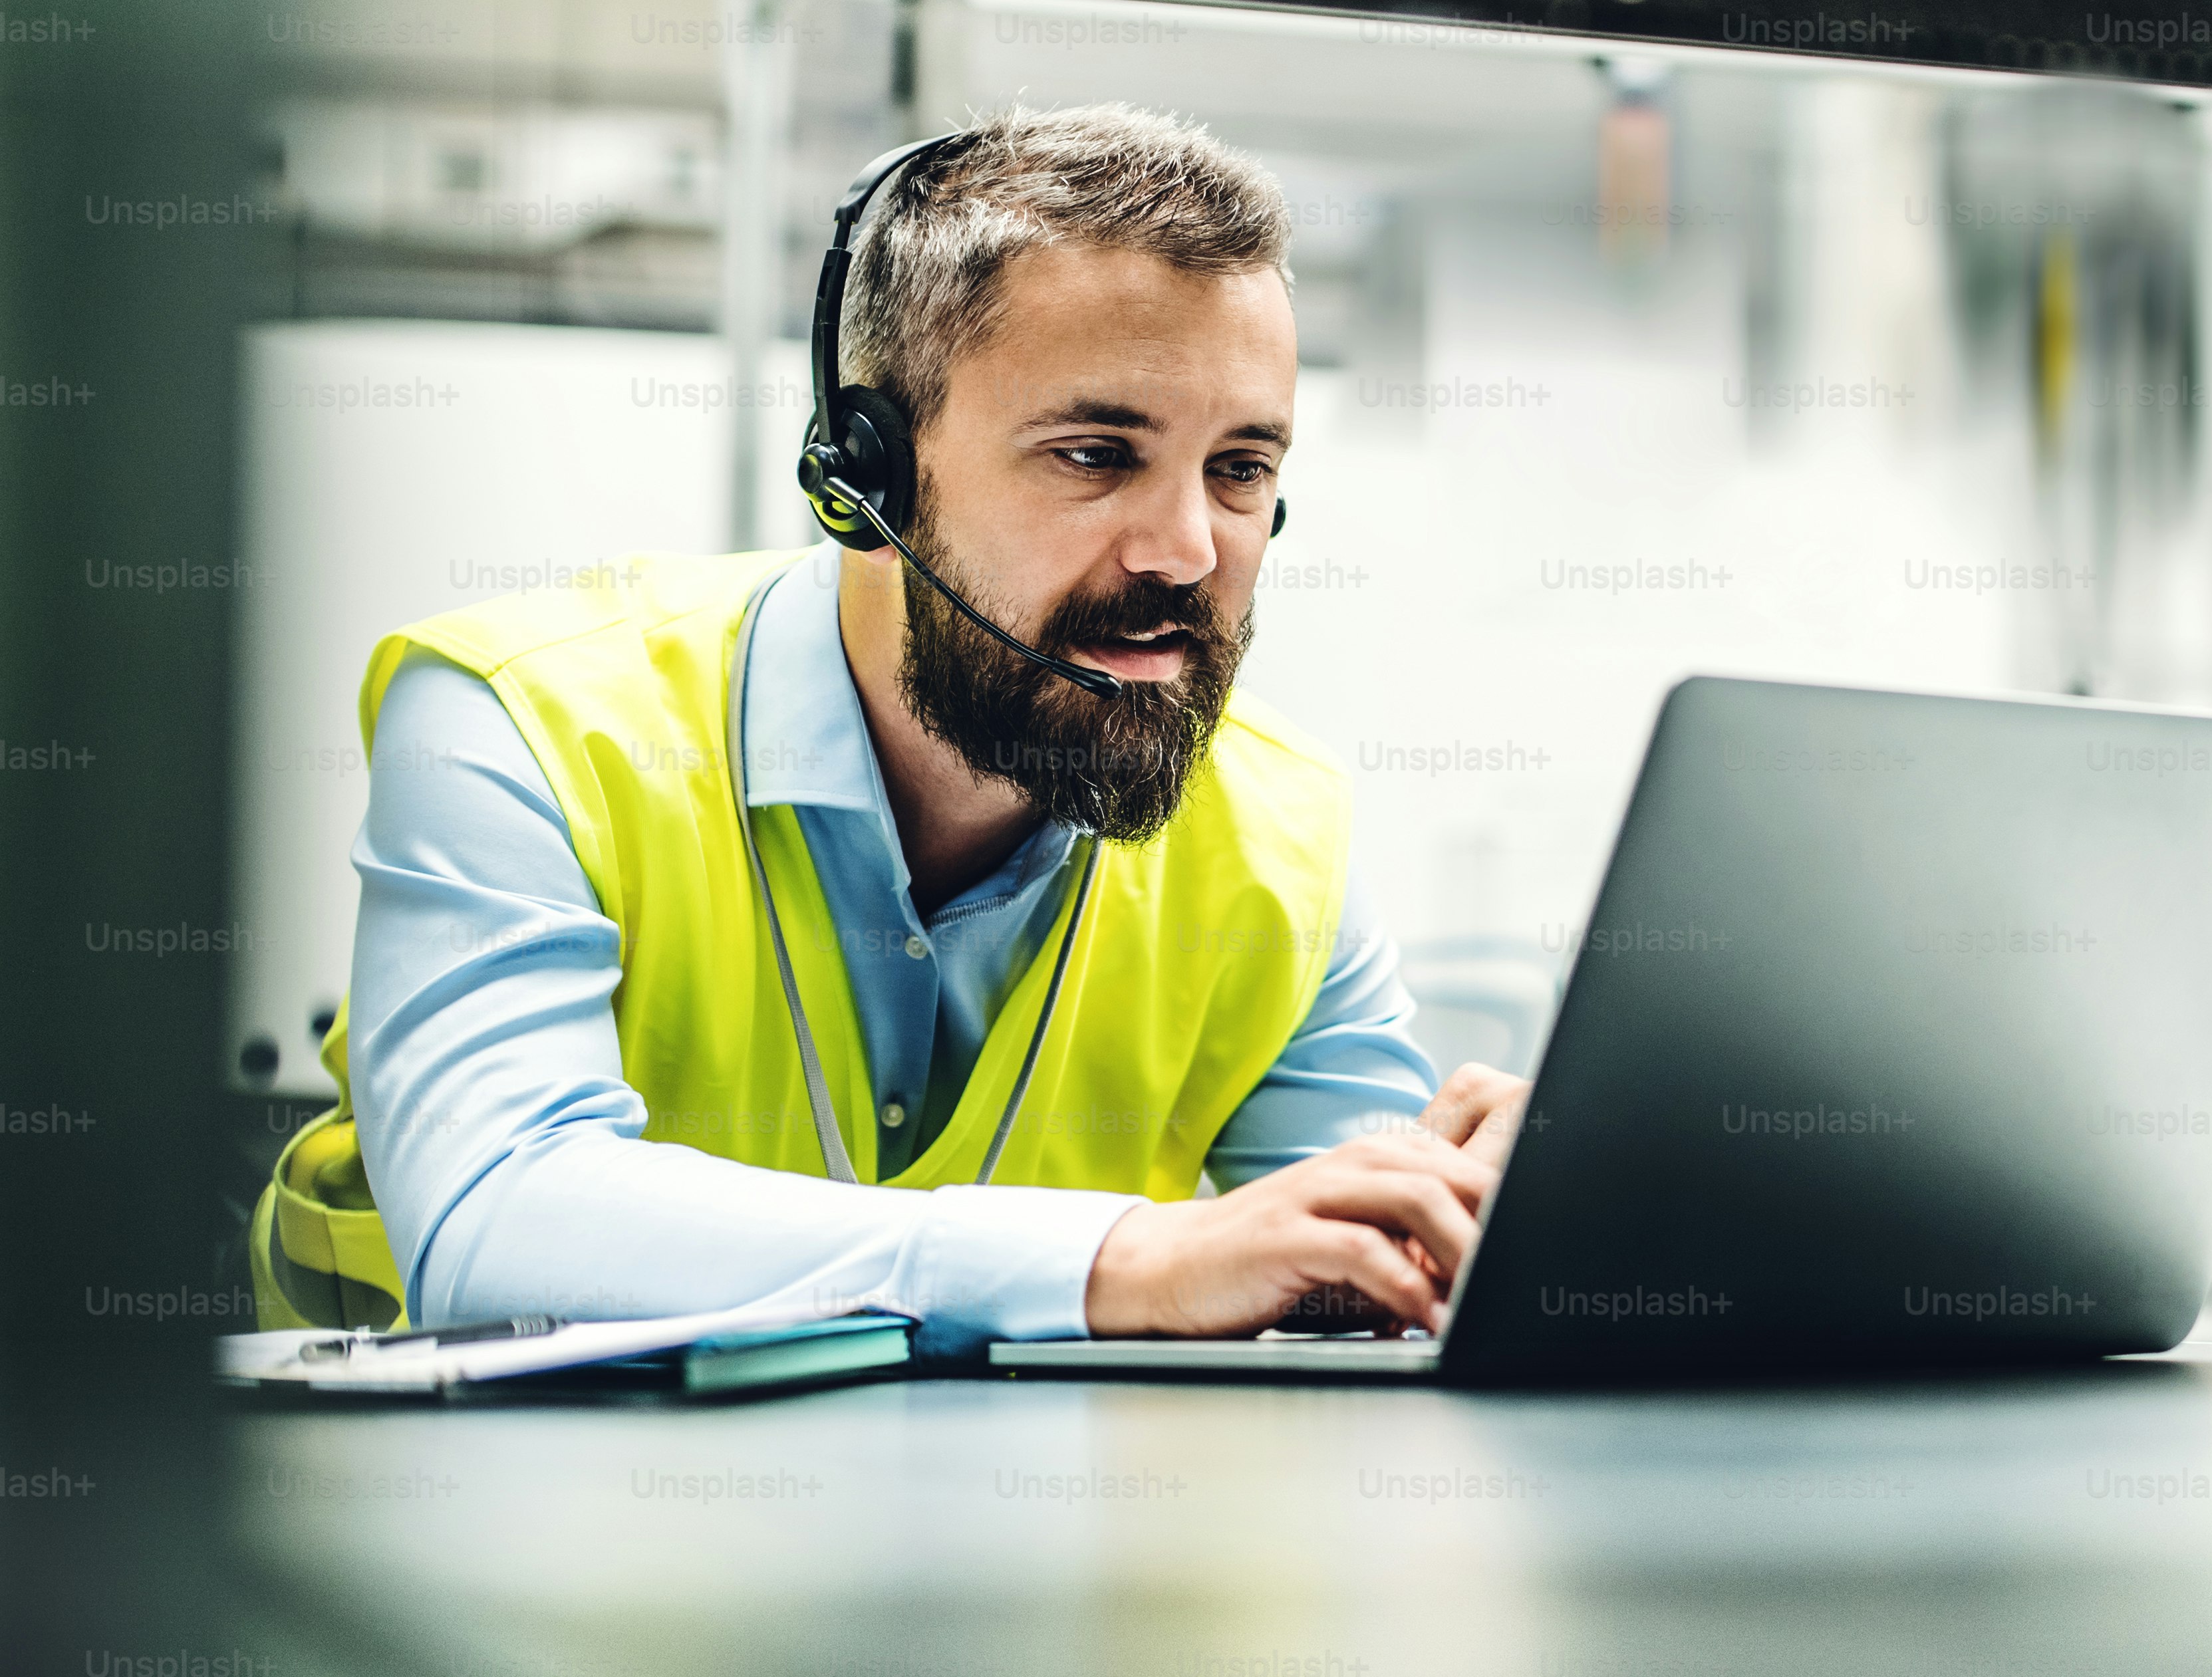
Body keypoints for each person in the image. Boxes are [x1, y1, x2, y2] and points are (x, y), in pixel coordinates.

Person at [250, 102, 1522, 1351]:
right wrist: (1117, 1258)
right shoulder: (525, 723)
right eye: (1093, 453)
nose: (1188, 548)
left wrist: (1486, 1217)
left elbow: (1350, 1255)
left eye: (1240, 468)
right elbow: (490, 1218)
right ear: (866, 474)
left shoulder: (1276, 835)